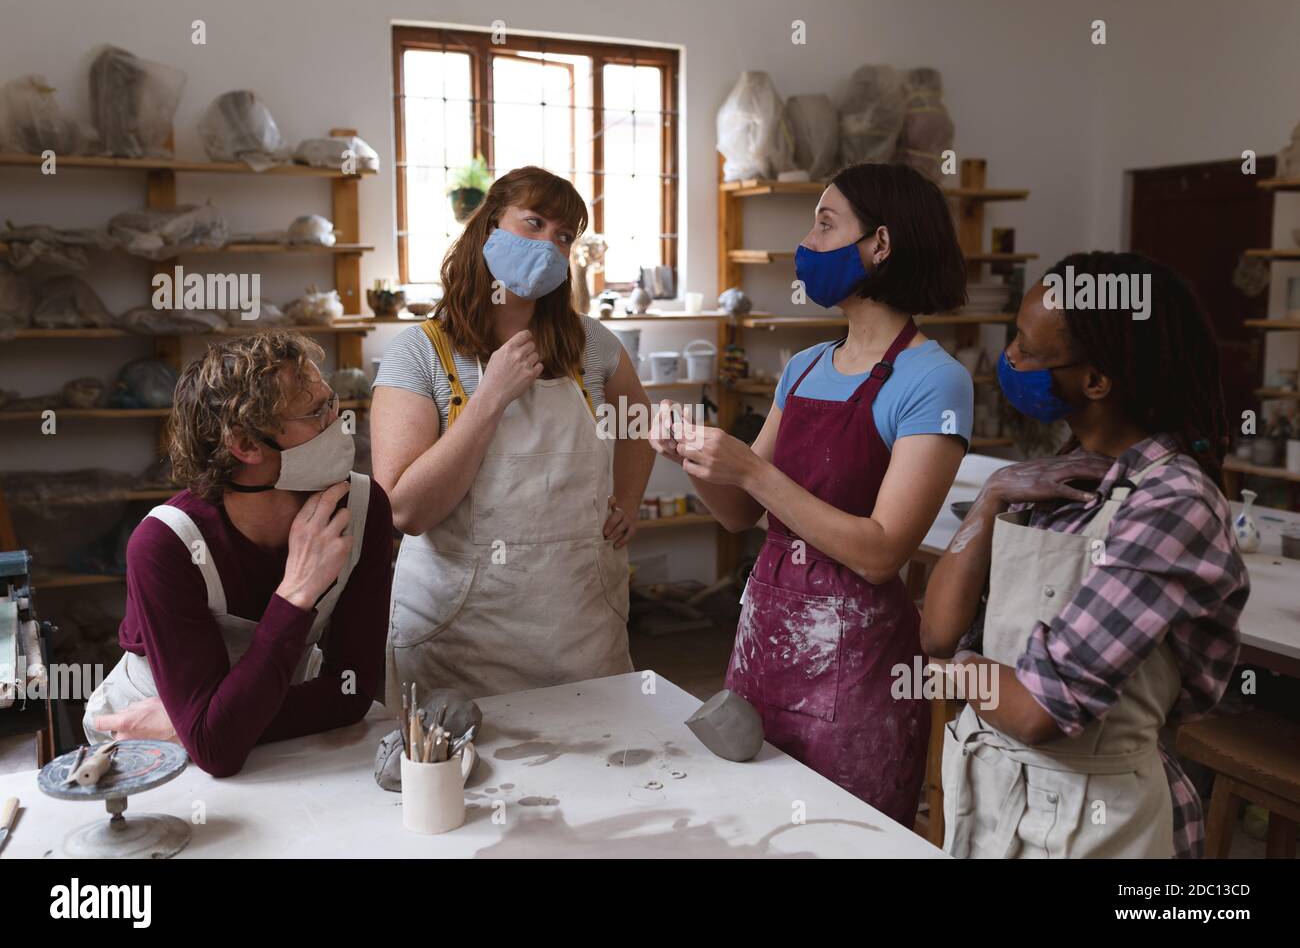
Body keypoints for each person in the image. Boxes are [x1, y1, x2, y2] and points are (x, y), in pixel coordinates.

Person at [650, 162, 973, 826]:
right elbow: (741, 513)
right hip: (763, 647)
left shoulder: (933, 381)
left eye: (826, 224)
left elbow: (882, 553)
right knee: (750, 830)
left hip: (856, 670)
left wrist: (750, 470)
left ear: (880, 245)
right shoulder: (803, 368)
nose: (809, 241)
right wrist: (695, 460)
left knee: (839, 837)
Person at [921, 251, 1248, 858]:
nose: (1009, 359)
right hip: (998, 792)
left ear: (1096, 381)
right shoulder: (1054, 479)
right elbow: (938, 631)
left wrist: (949, 672)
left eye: (1024, 346)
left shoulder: (1173, 505)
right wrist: (993, 496)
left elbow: (1042, 706)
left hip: (1091, 818)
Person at [372, 166, 654, 702]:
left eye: (564, 236)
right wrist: (491, 396)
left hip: (579, 633)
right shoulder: (420, 352)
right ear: (488, 226)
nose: (549, 245)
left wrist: (630, 501)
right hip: (458, 643)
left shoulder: (590, 345)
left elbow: (638, 425)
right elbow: (405, 512)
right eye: (534, 223)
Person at [82, 331, 393, 777]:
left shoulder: (362, 510)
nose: (338, 421)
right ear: (245, 444)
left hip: (210, 729)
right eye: (316, 412)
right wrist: (297, 593)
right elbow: (217, 753)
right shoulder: (165, 546)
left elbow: (350, 694)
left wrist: (197, 726)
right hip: (139, 742)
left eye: (331, 402)